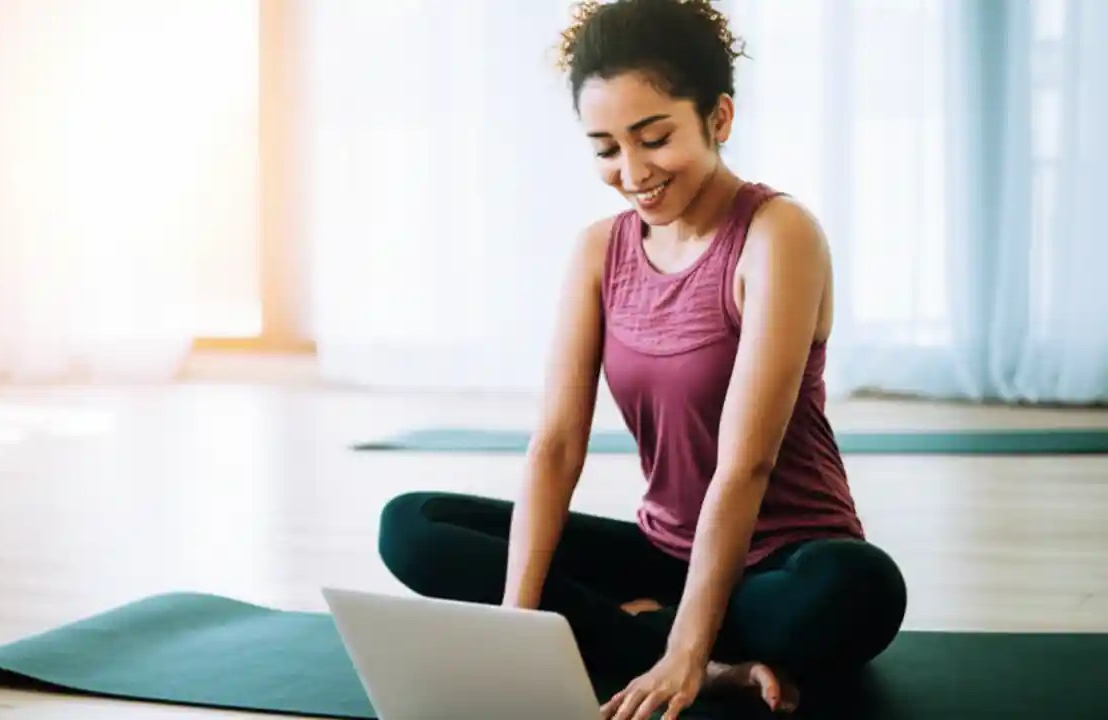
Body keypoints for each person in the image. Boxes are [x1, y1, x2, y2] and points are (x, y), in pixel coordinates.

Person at [377, 0, 907, 717]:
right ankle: (702, 655)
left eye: (653, 137)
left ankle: (659, 639)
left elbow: (745, 463)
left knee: (858, 591)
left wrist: (684, 650)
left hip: (785, 562)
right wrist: (513, 626)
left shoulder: (778, 234)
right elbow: (557, 444)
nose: (631, 171)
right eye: (604, 148)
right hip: (666, 553)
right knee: (413, 524)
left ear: (718, 118)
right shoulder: (600, 250)